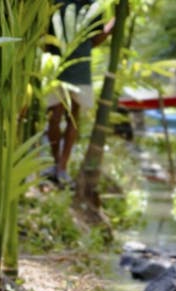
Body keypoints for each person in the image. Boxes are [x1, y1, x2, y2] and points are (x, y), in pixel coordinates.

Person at [45, 3, 114, 185]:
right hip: (55, 66)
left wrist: (113, 24)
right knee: (54, 116)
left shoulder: (92, 6)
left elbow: (94, 39)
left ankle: (62, 167)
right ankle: (55, 163)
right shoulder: (53, 3)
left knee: (72, 117)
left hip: (80, 67)